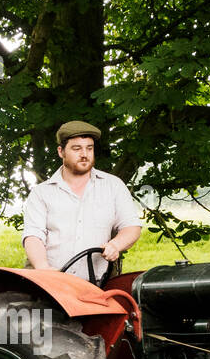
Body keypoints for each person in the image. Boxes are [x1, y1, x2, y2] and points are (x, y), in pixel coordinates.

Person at [22, 120, 143, 283]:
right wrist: (43, 268)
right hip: (51, 281)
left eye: (89, 148)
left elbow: (131, 226)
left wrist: (116, 245)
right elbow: (33, 236)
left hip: (99, 282)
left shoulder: (113, 185)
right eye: (76, 148)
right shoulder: (41, 192)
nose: (84, 154)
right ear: (61, 151)